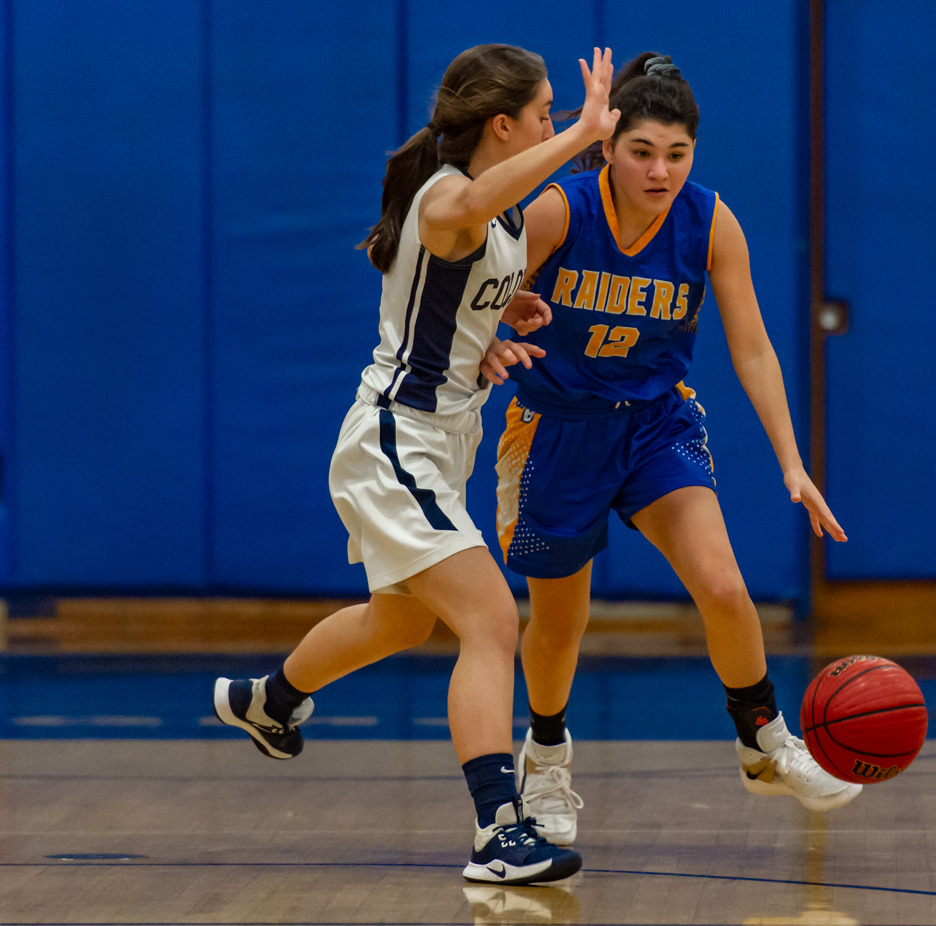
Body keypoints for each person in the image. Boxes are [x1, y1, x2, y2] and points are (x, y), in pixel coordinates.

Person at [212, 43, 622, 885]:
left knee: (399, 622)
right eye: (544, 114)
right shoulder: (446, 195)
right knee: (492, 621)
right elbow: (465, 209)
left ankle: (269, 700)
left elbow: (452, 302)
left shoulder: (504, 221)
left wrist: (496, 329)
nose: (553, 125)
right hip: (396, 443)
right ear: (503, 126)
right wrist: (584, 134)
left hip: (440, 442)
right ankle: (498, 832)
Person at [479, 52, 862, 847]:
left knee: (723, 585)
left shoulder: (711, 222)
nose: (660, 171)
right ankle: (544, 758)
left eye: (677, 154)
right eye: (643, 152)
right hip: (557, 428)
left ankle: (763, 742)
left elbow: (752, 348)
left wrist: (792, 461)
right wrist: (489, 333)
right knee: (561, 621)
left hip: (655, 422)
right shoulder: (558, 212)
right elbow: (468, 294)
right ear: (608, 147)